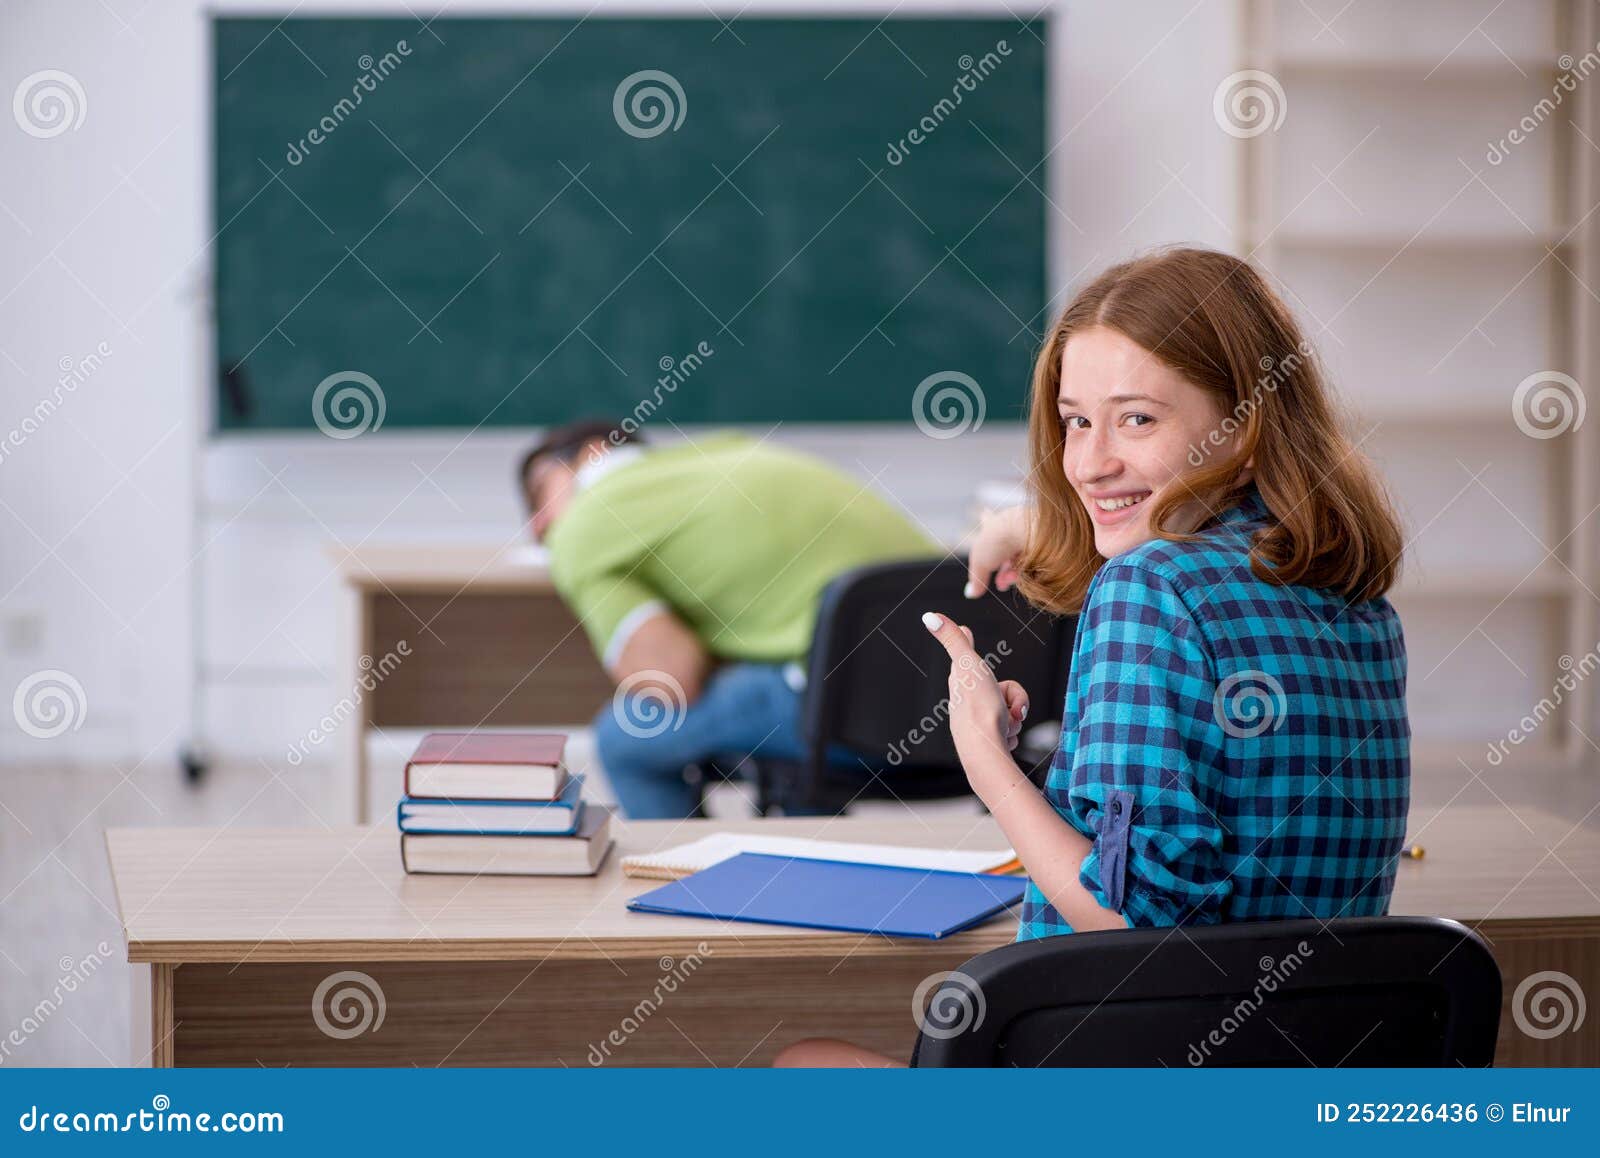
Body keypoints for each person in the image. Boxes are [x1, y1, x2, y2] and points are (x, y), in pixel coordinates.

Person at [774, 246, 1410, 1067]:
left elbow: (1136, 924)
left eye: (1137, 418)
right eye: (1076, 420)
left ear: (1245, 432)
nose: (1088, 462)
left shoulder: (1150, 589)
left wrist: (987, 763)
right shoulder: (1361, 606)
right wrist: (1042, 527)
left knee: (802, 1067)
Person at [520, 421, 940, 819]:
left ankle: (684, 885)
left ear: (596, 450)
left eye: (540, 494)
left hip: (856, 718)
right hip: (968, 703)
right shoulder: (733, 450)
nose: (539, 525)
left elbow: (673, 682)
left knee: (622, 738)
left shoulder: (582, 524)